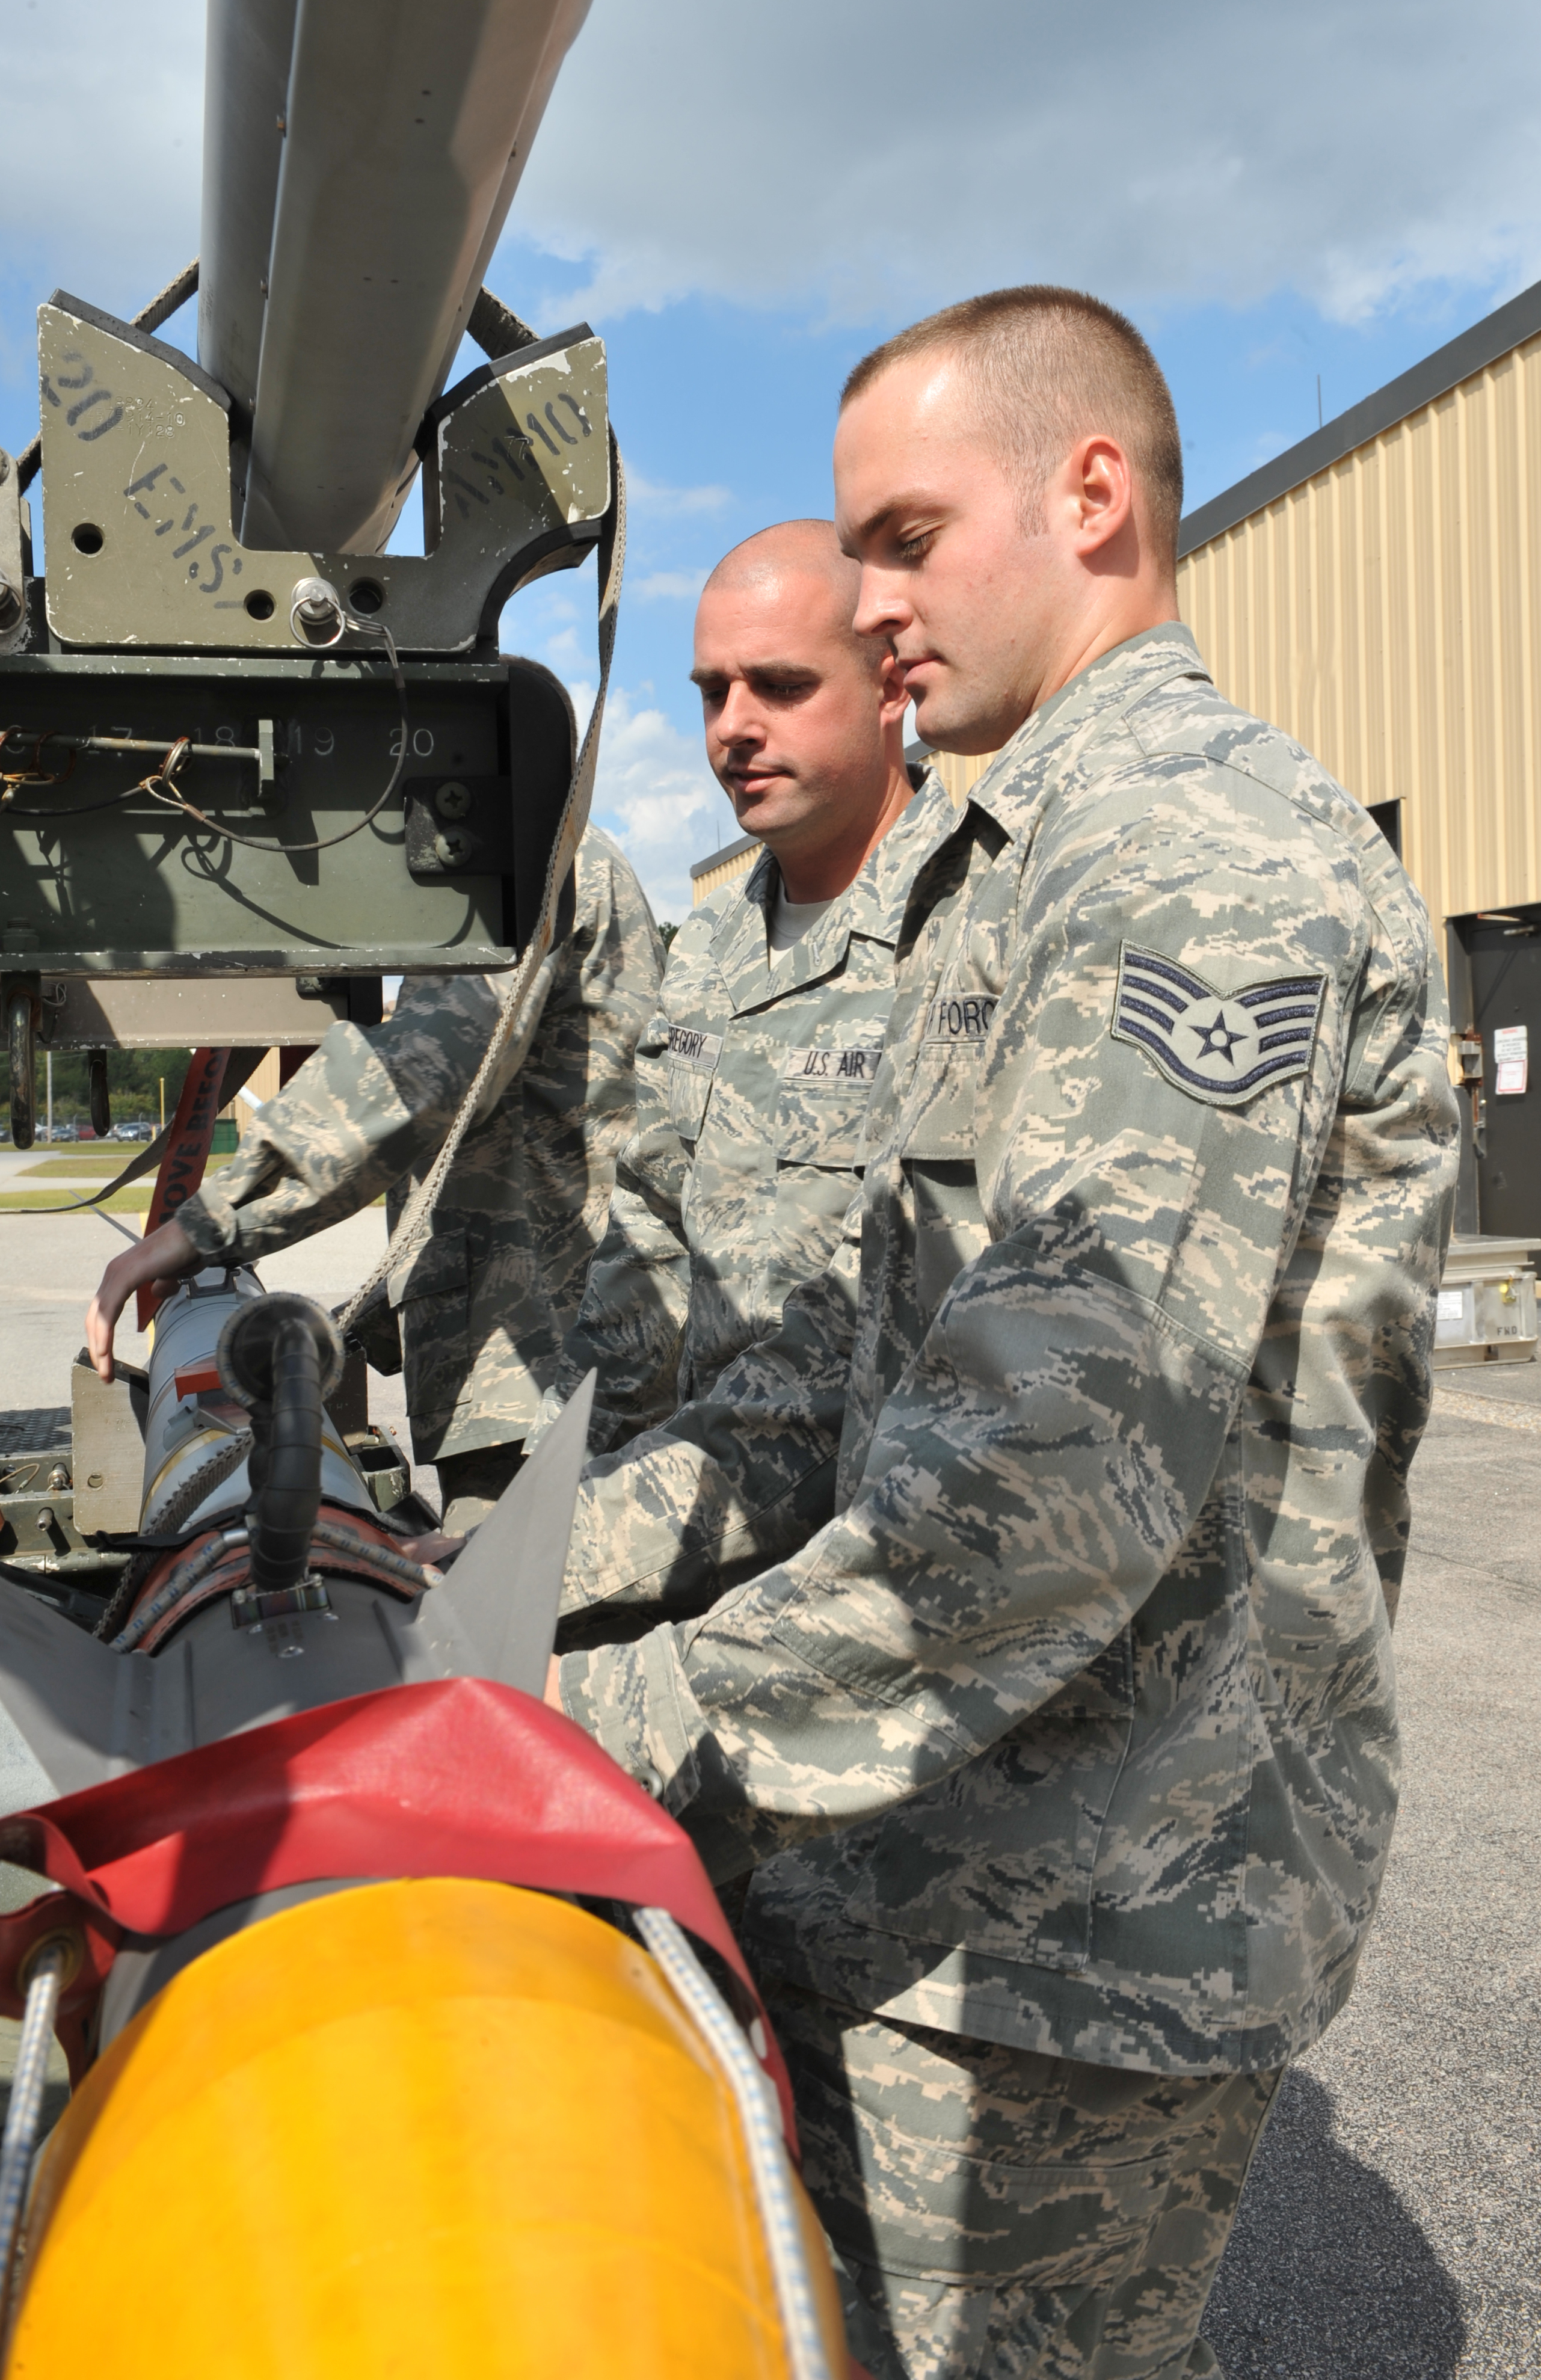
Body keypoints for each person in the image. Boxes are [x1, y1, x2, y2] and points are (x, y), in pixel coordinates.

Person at [541, 288, 1460, 2377]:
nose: (868, 603)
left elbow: (1052, 1475)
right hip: (938, 1881)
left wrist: (628, 1725)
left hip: (1082, 1928)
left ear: (1095, 495)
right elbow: (836, 1377)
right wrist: (529, 1605)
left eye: (902, 535)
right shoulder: (1010, 864)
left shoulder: (1185, 858)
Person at [85, 826, 662, 1533]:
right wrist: (362, 1328)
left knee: (510, 1628)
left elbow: (426, 1074)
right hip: (540, 1368)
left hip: (544, 1388)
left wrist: (205, 1224)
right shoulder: (535, 853)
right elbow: (497, 1157)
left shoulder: (523, 854)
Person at [536, 519, 952, 1465]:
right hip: (683, 1526)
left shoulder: (969, 927)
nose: (733, 726)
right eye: (713, 692)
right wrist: (557, 1488)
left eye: (781, 685)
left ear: (891, 687)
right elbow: (646, 1244)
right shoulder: (714, 942)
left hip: (863, 1552)